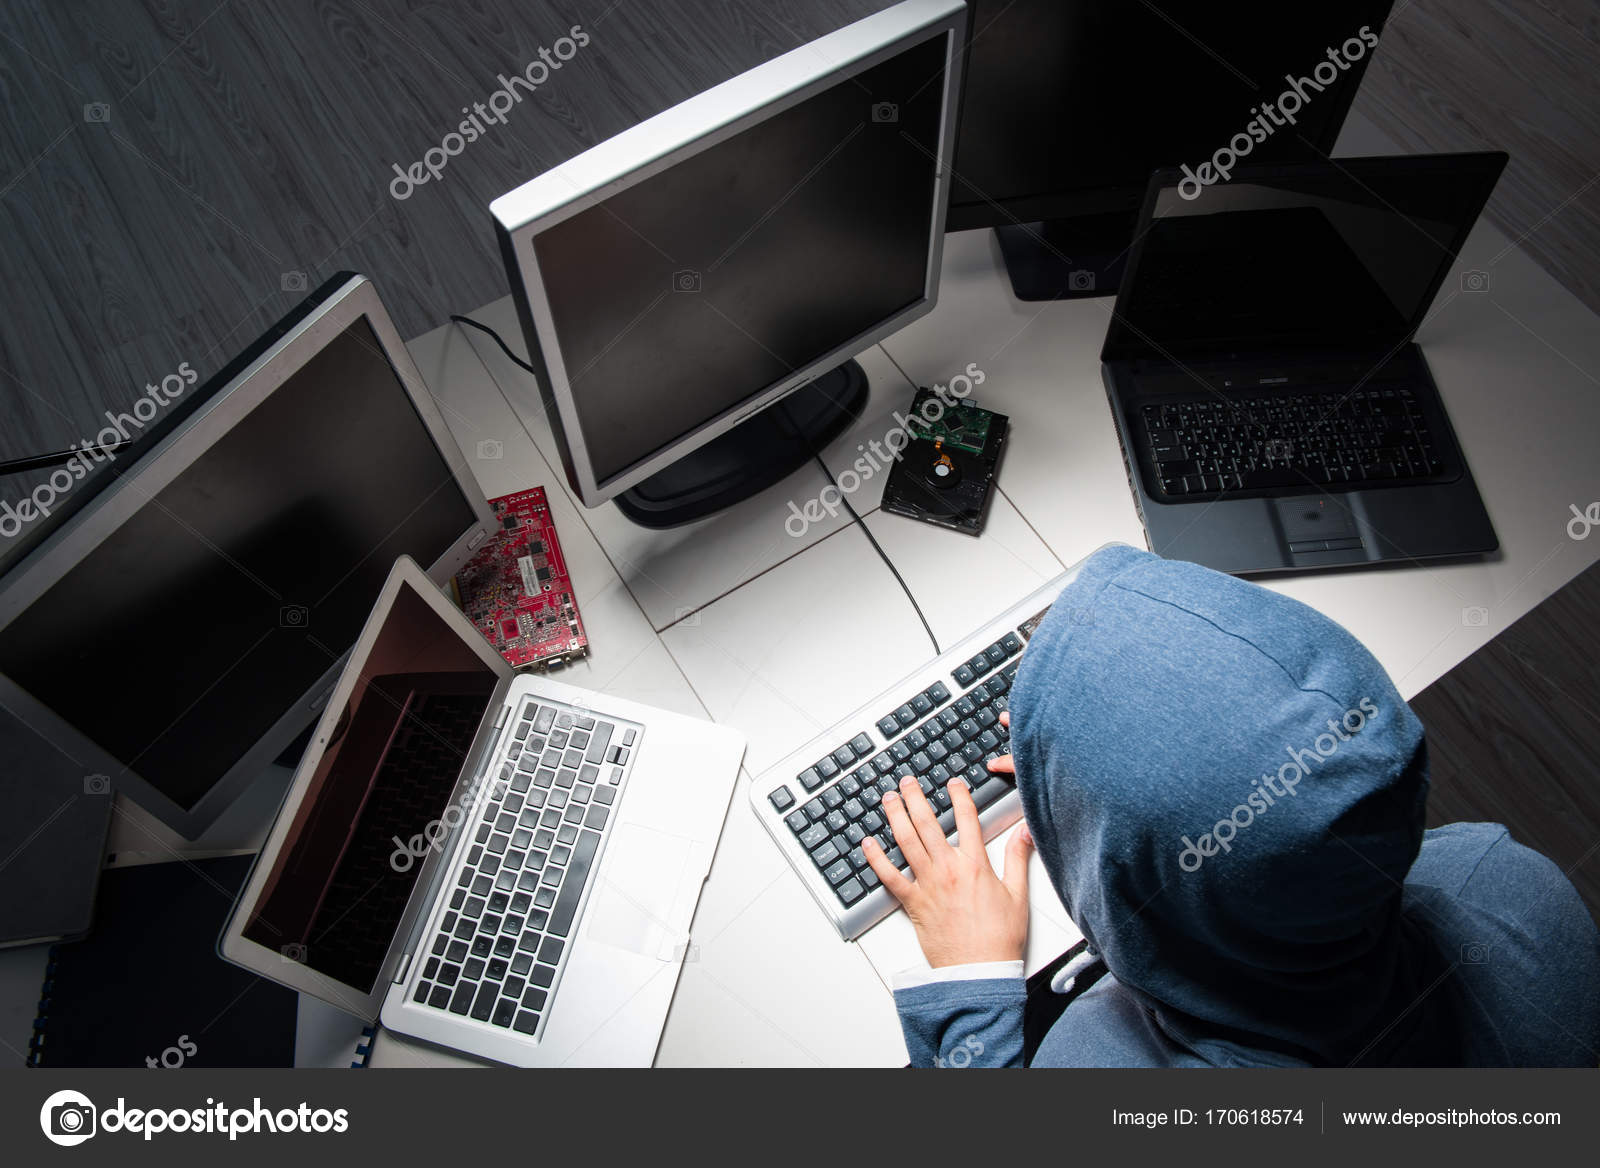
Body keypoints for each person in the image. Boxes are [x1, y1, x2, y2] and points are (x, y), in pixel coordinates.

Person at [864, 545, 1600, 1067]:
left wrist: (972, 985)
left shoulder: (1094, 1066)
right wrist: (1136, 758)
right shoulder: (1512, 888)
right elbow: (1292, 862)